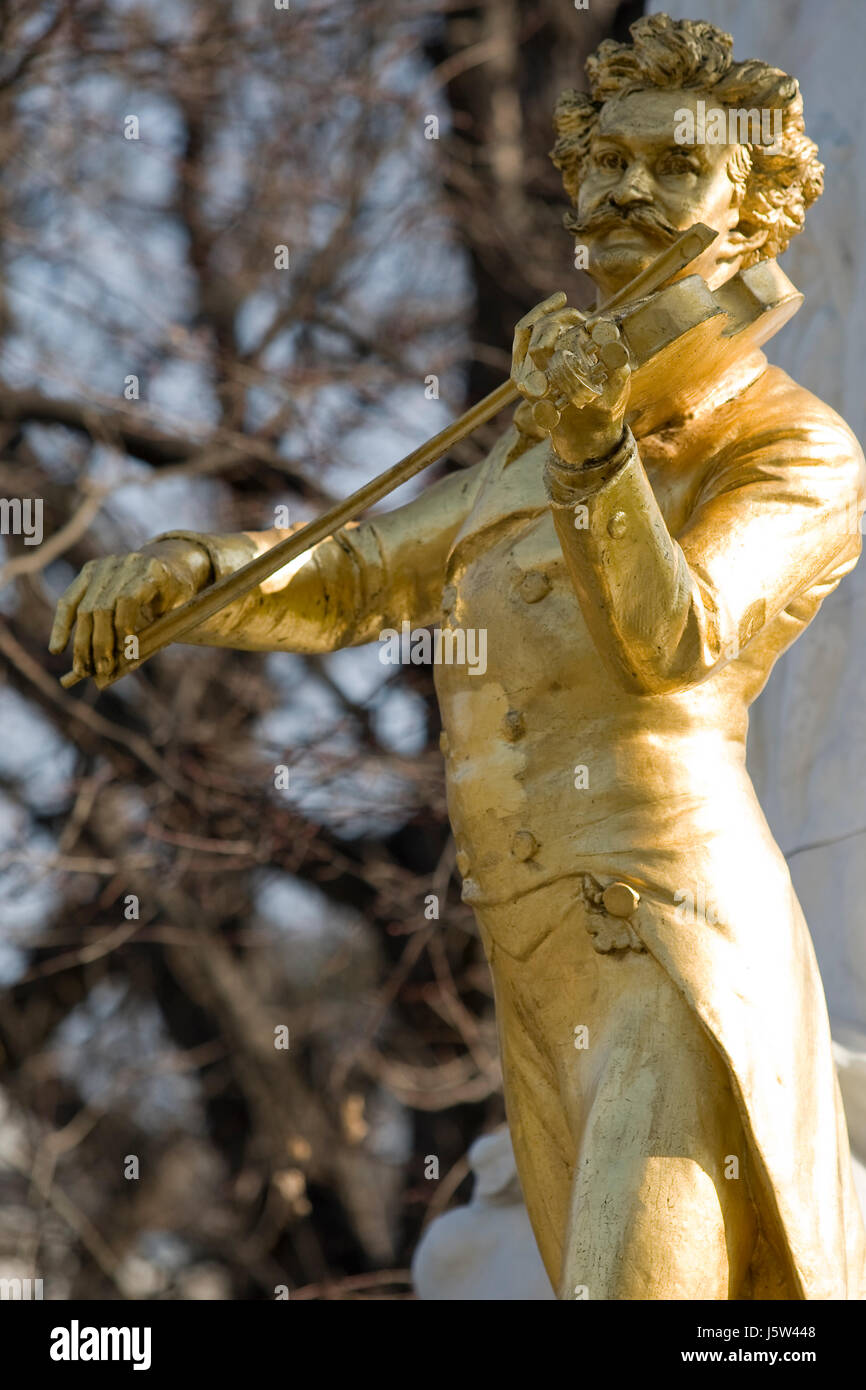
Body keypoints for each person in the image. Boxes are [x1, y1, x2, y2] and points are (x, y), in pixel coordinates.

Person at [50, 16, 866, 1298]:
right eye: (609, 165)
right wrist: (188, 573)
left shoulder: (790, 443)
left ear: (753, 213)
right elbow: (365, 575)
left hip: (661, 926)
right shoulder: (534, 446)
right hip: (529, 956)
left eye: (675, 168)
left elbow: (678, 641)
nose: (626, 193)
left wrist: (601, 456)